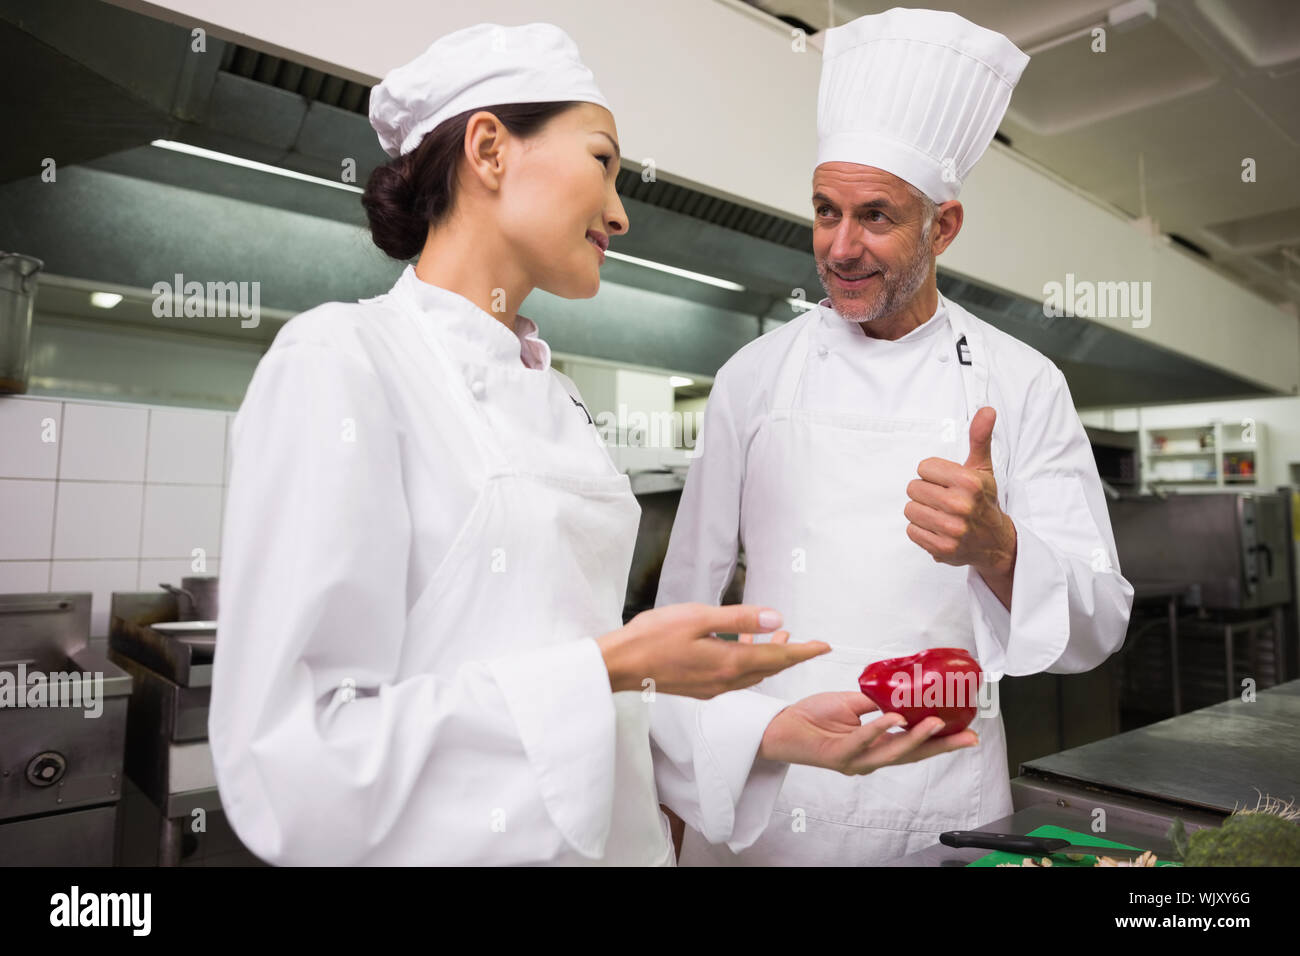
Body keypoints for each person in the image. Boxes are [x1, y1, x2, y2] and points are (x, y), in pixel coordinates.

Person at [209, 21, 977, 867]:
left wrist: (764, 732)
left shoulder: (557, 398)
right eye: (603, 161)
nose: (619, 210)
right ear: (491, 150)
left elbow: (576, 712)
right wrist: (610, 664)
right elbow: (295, 761)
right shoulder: (344, 363)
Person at [656, 7, 1135, 866]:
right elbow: (683, 621)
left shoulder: (1022, 384)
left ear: (942, 227)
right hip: (772, 804)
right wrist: (681, 797)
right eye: (824, 212)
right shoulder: (754, 379)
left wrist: (1001, 548)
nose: (840, 247)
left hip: (942, 804)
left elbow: (1101, 624)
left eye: (875, 216)